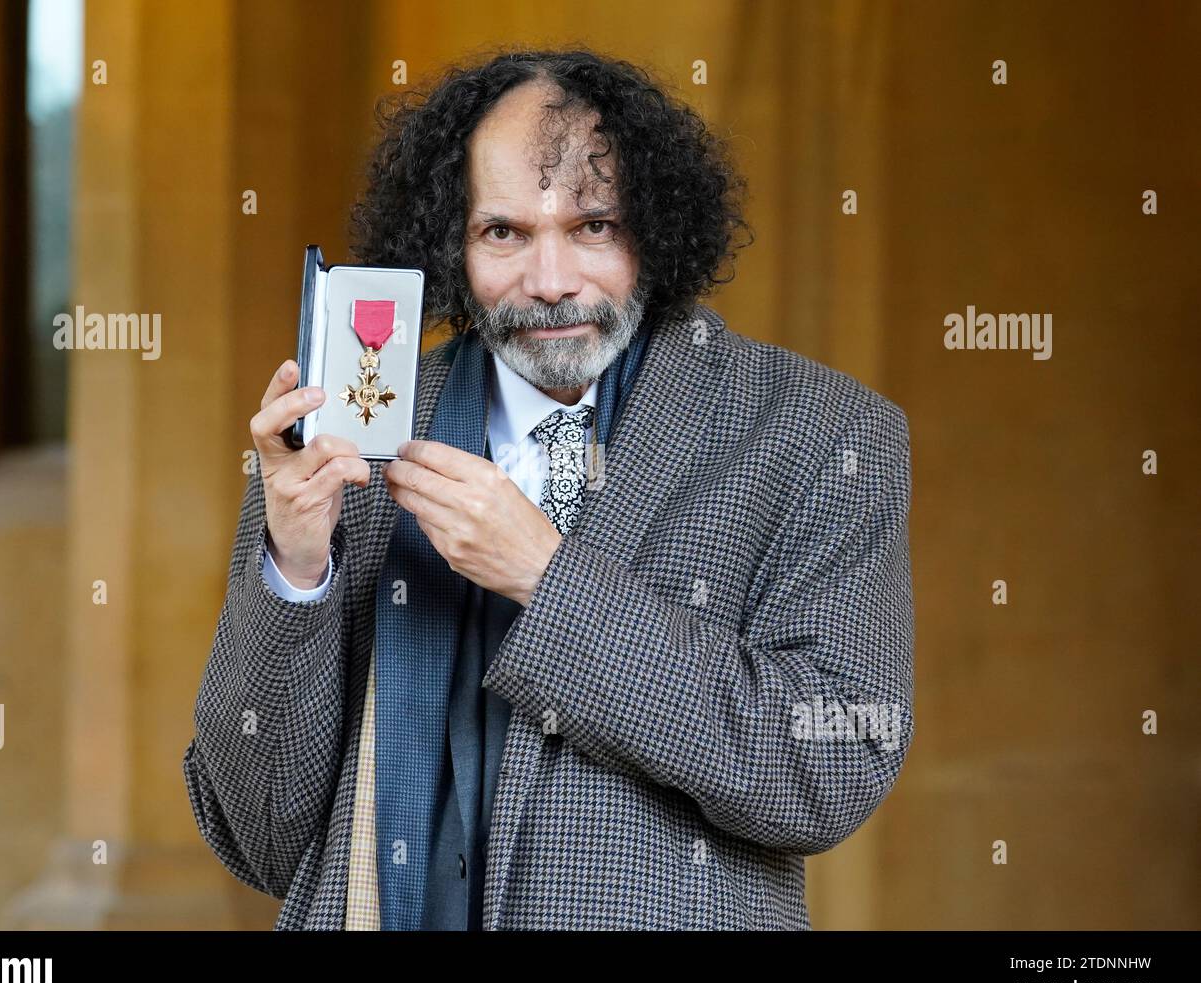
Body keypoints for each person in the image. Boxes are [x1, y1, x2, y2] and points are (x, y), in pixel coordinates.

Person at [183, 48, 914, 930]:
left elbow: (826, 767)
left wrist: (546, 577)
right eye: (505, 233)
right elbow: (256, 834)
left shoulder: (823, 432)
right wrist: (294, 569)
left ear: (656, 226)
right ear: (449, 243)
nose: (552, 280)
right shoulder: (350, 431)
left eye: (593, 226)